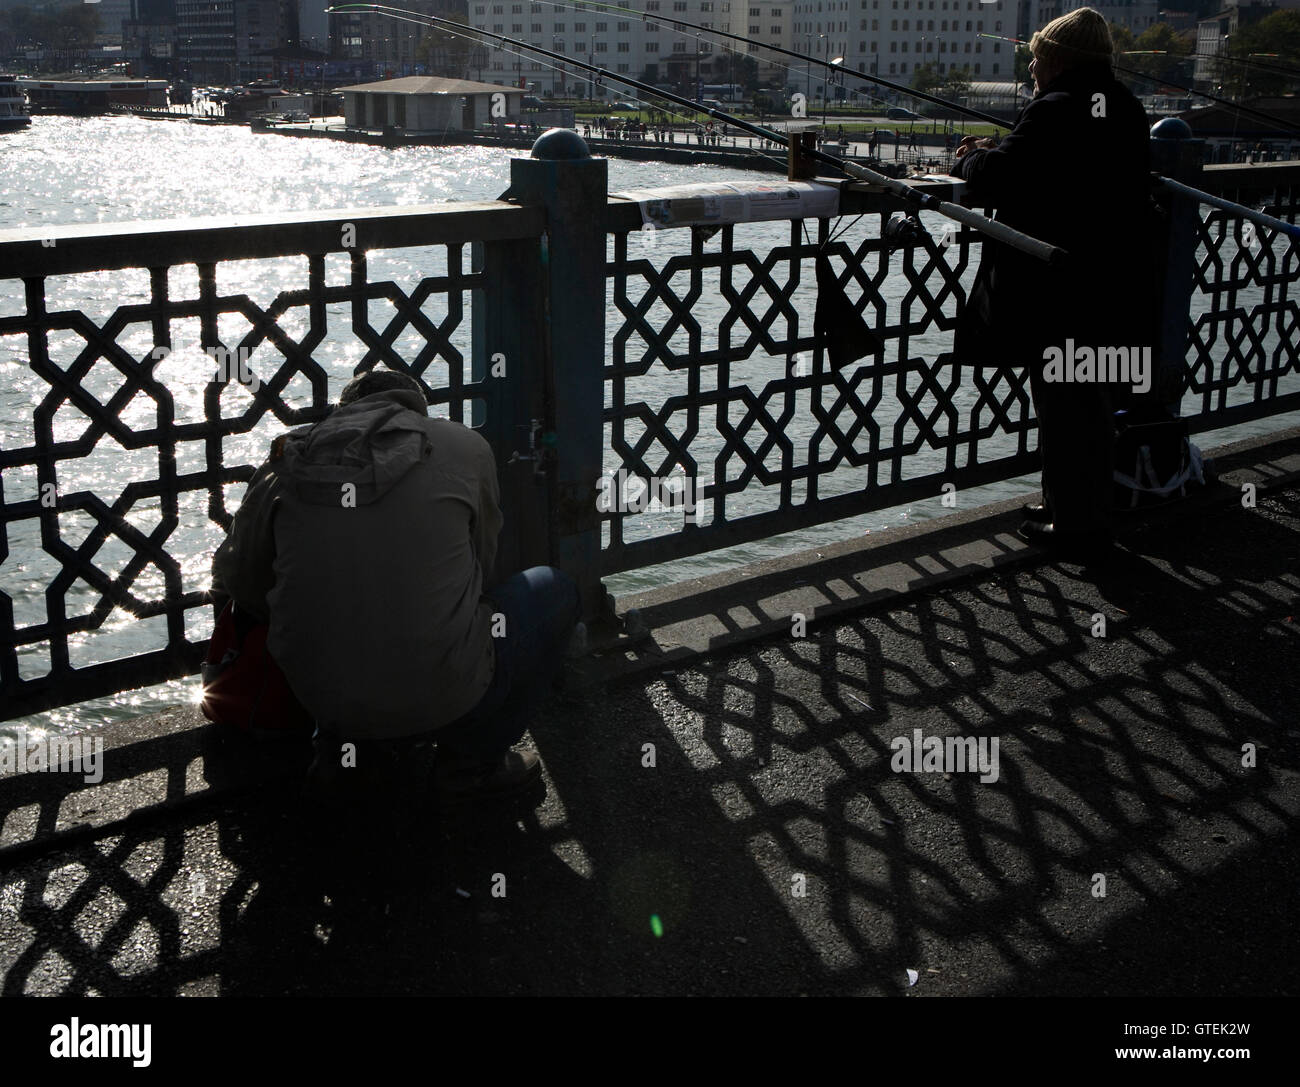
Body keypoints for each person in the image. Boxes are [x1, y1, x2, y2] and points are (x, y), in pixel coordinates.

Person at [211, 367, 580, 806]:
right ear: (417, 407)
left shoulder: (288, 457)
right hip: (445, 692)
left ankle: (344, 756)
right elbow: (482, 561)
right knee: (555, 590)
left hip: (318, 698)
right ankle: (471, 766)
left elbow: (242, 583)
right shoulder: (463, 445)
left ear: (344, 409)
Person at [952, 7, 1158, 555]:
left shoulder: (1057, 106)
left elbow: (999, 178)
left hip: (1061, 287)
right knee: (1088, 403)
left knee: (1066, 408)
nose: (1032, 66)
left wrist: (969, 160)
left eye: (1037, 57)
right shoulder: (1123, 104)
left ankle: (1076, 528)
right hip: (1113, 282)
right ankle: (1069, 507)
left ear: (1060, 60)